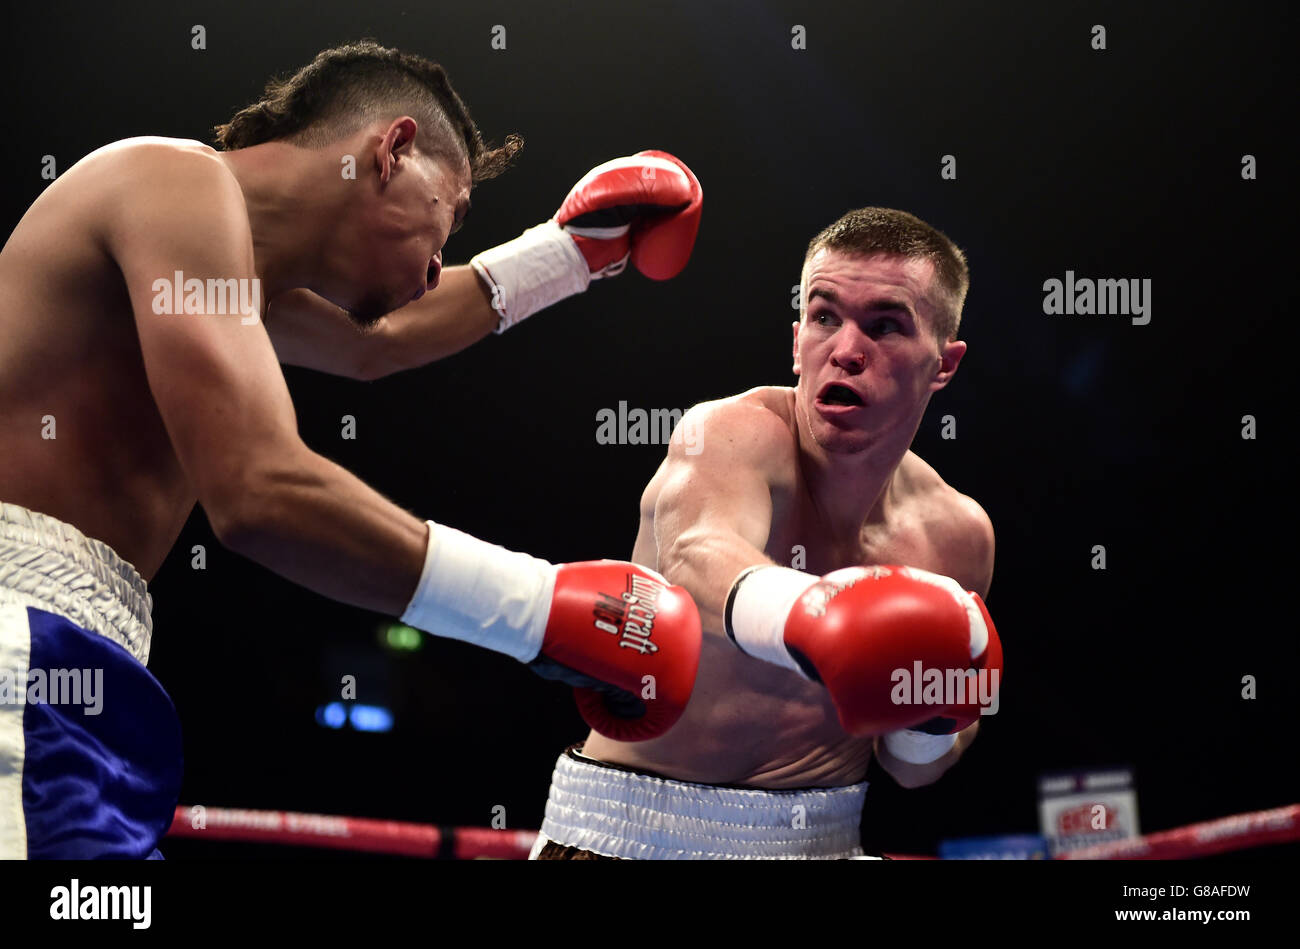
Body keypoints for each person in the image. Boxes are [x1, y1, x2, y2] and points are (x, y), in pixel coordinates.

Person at [0, 41, 703, 858]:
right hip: (22, 638)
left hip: (76, 657)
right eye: (454, 211)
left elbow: (384, 342)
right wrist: (540, 608)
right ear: (392, 149)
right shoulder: (173, 183)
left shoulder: (228, 271)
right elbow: (258, 488)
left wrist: (572, 252)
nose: (442, 263)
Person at [532, 207, 1003, 860]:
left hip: (823, 841)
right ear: (795, 340)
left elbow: (915, 770)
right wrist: (820, 617)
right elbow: (699, 559)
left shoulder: (957, 536)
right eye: (824, 316)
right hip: (633, 834)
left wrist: (928, 721)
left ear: (944, 364)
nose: (845, 349)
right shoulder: (731, 436)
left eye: (885, 324)